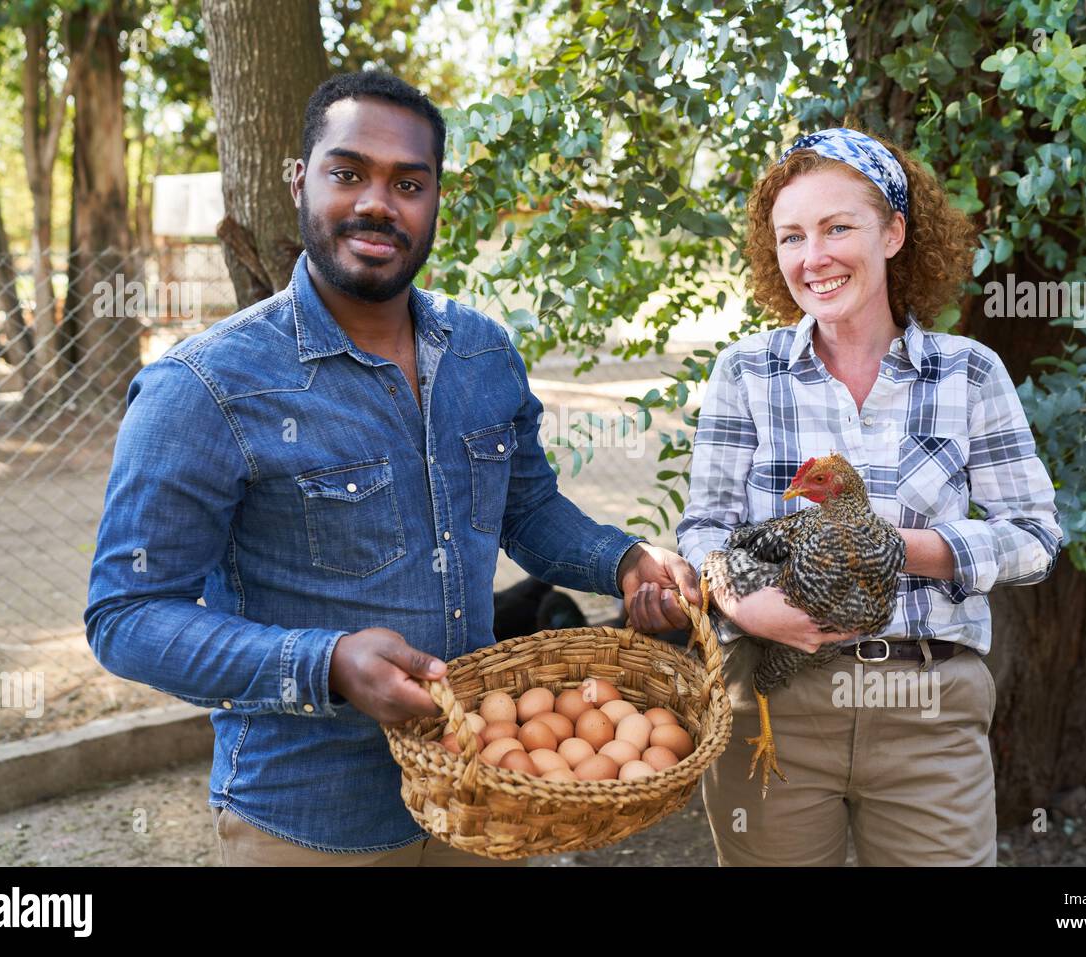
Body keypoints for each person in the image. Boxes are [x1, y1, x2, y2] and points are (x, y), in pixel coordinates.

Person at [85, 70, 698, 867]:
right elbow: (126, 614)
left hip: (482, 796)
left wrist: (623, 559)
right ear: (302, 180)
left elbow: (528, 509)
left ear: (436, 199)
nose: (378, 202)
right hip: (310, 819)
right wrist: (328, 663)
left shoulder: (481, 354)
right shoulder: (204, 388)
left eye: (408, 182)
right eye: (349, 173)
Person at [657, 126, 1063, 866]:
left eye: (838, 226)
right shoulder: (747, 372)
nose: (812, 258)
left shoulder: (968, 374)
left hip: (929, 704)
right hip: (773, 697)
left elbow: (1035, 537)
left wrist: (898, 548)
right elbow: (703, 529)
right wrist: (738, 600)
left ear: (896, 232)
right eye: (791, 237)